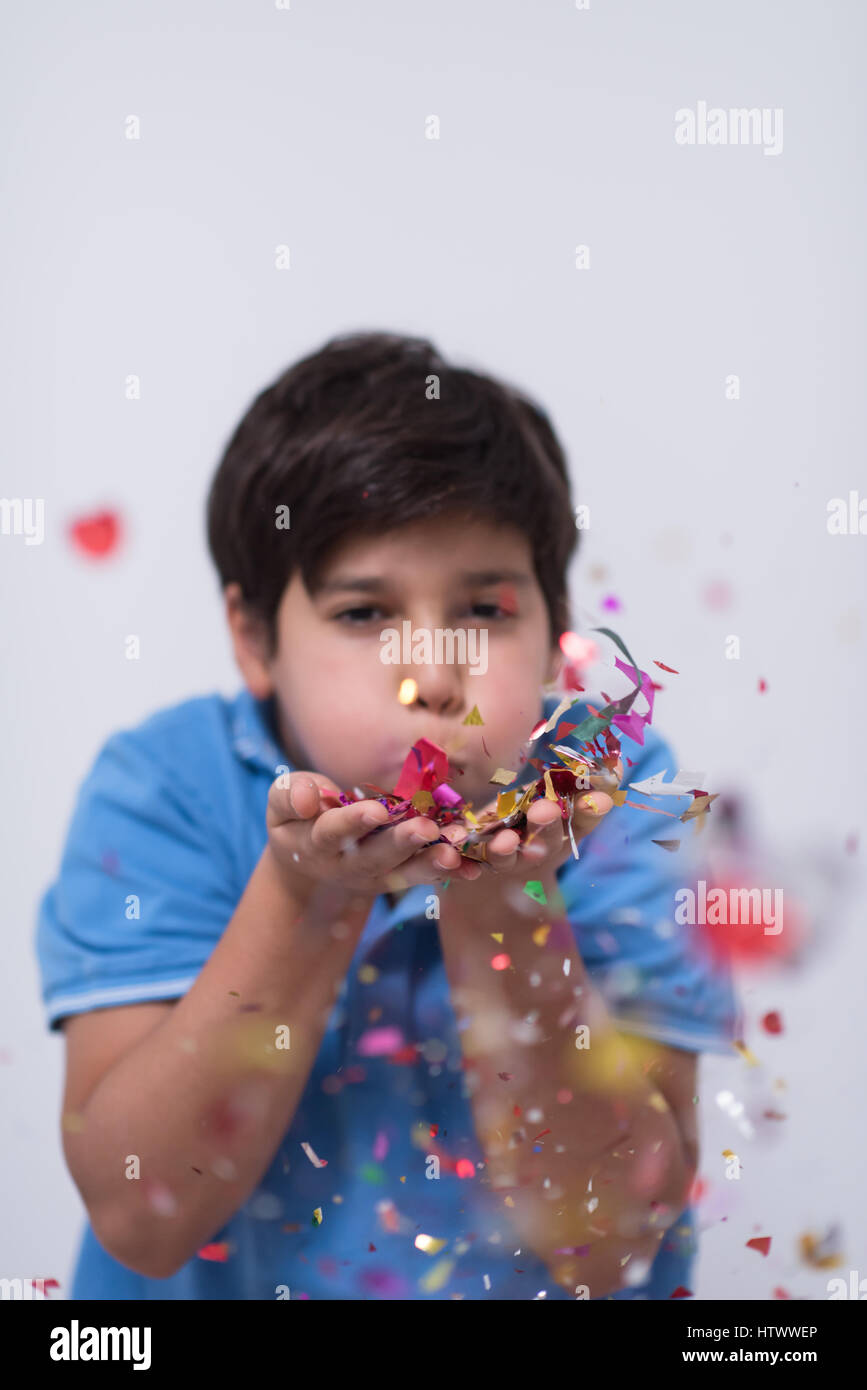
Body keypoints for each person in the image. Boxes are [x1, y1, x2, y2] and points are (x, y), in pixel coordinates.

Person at [35, 331, 741, 1300]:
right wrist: (305, 894)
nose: (435, 676)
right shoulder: (166, 789)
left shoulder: (618, 794)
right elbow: (139, 1214)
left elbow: (608, 1248)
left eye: (484, 609)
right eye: (365, 613)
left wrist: (505, 904)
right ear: (254, 638)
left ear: (553, 635)